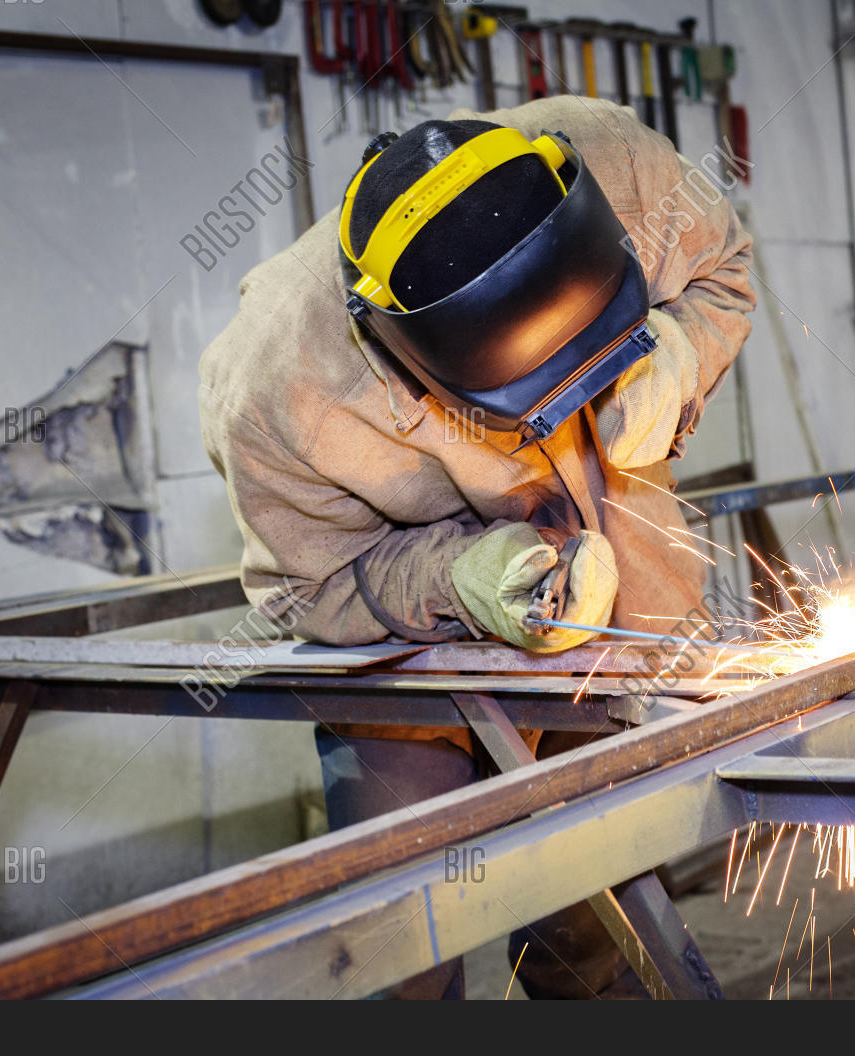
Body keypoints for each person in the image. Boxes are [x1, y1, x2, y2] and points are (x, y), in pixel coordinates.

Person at [199, 94, 755, 998]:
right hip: (406, 665)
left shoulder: (614, 156)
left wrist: (672, 364)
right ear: (395, 349)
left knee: (589, 922)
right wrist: (459, 577)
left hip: (600, 630)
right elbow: (311, 589)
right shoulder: (272, 387)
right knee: (404, 937)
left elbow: (721, 267)